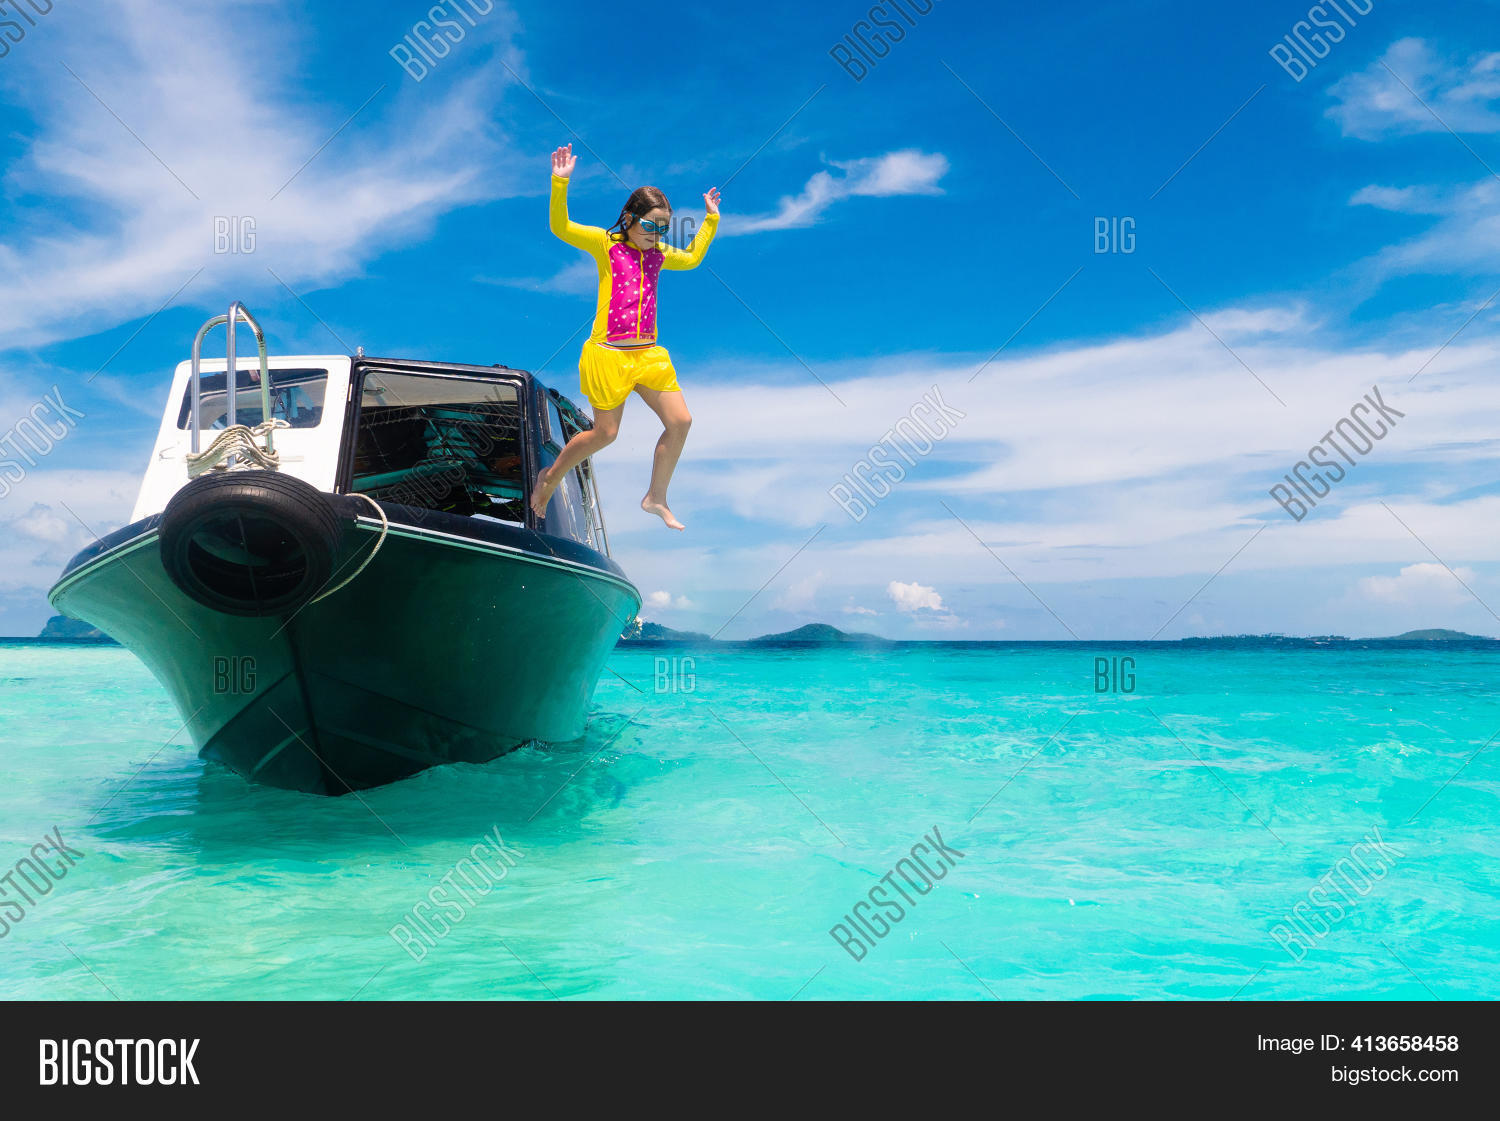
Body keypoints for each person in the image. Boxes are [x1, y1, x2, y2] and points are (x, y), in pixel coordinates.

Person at [531, 142, 721, 531]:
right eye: (649, 225)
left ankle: (655, 497)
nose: (655, 234)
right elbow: (561, 227)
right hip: (610, 356)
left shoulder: (661, 255)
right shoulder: (607, 245)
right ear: (629, 218)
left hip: (648, 357)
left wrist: (710, 221)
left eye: (663, 228)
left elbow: (695, 257)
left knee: (681, 421)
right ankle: (549, 478)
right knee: (606, 434)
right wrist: (560, 183)